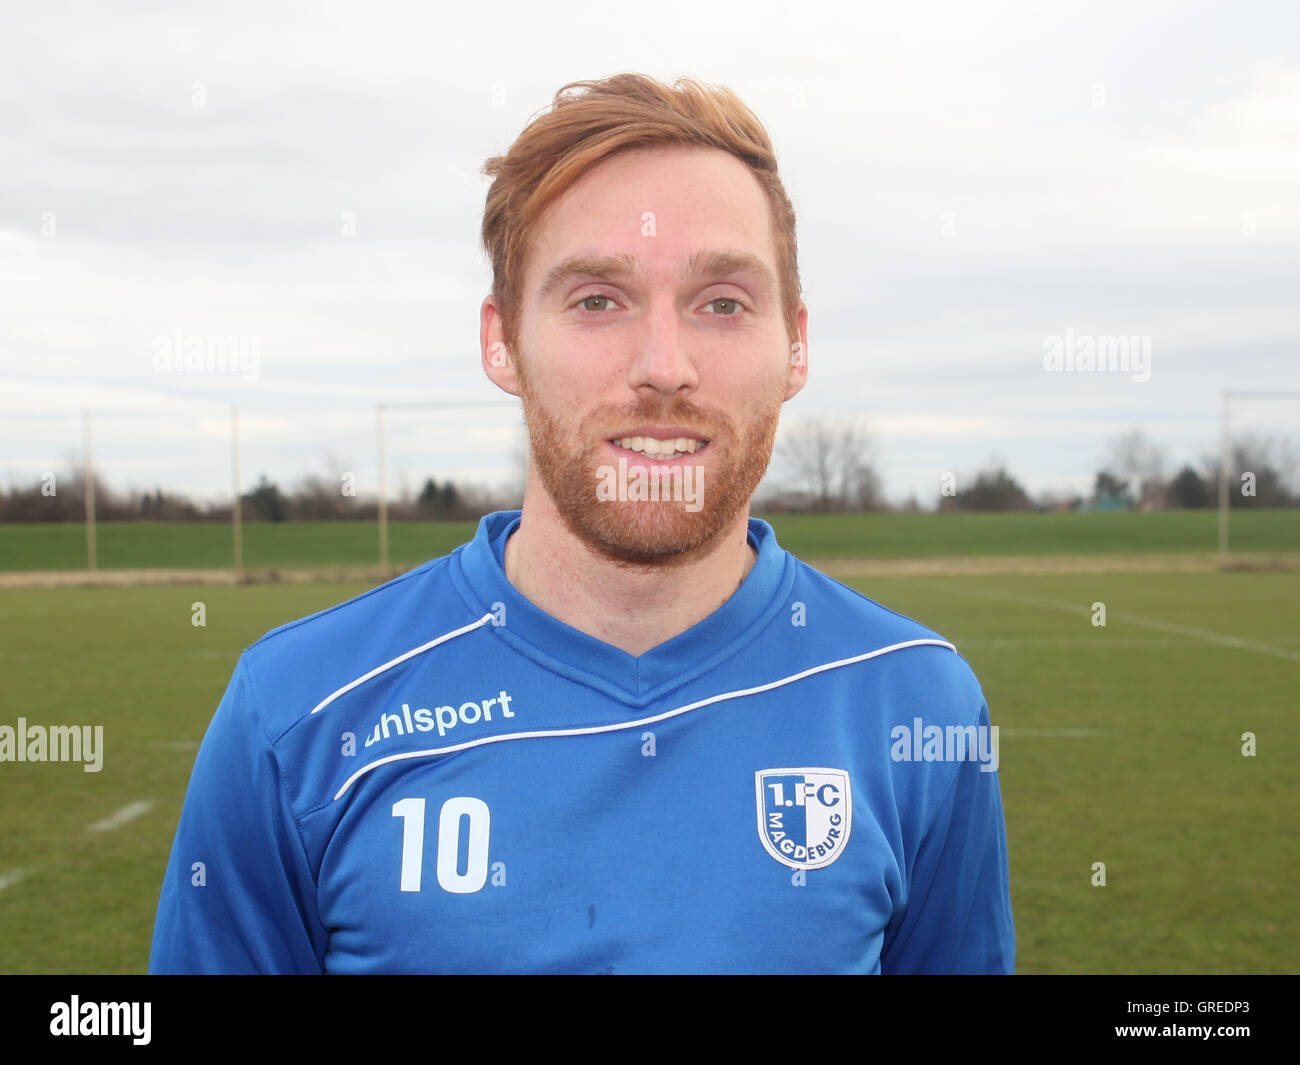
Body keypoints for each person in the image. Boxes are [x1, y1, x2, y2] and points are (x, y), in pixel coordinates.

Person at [149, 72, 1014, 974]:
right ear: (502, 341)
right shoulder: (296, 715)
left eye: (723, 302)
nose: (664, 366)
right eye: (598, 299)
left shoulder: (917, 703)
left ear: (795, 345)